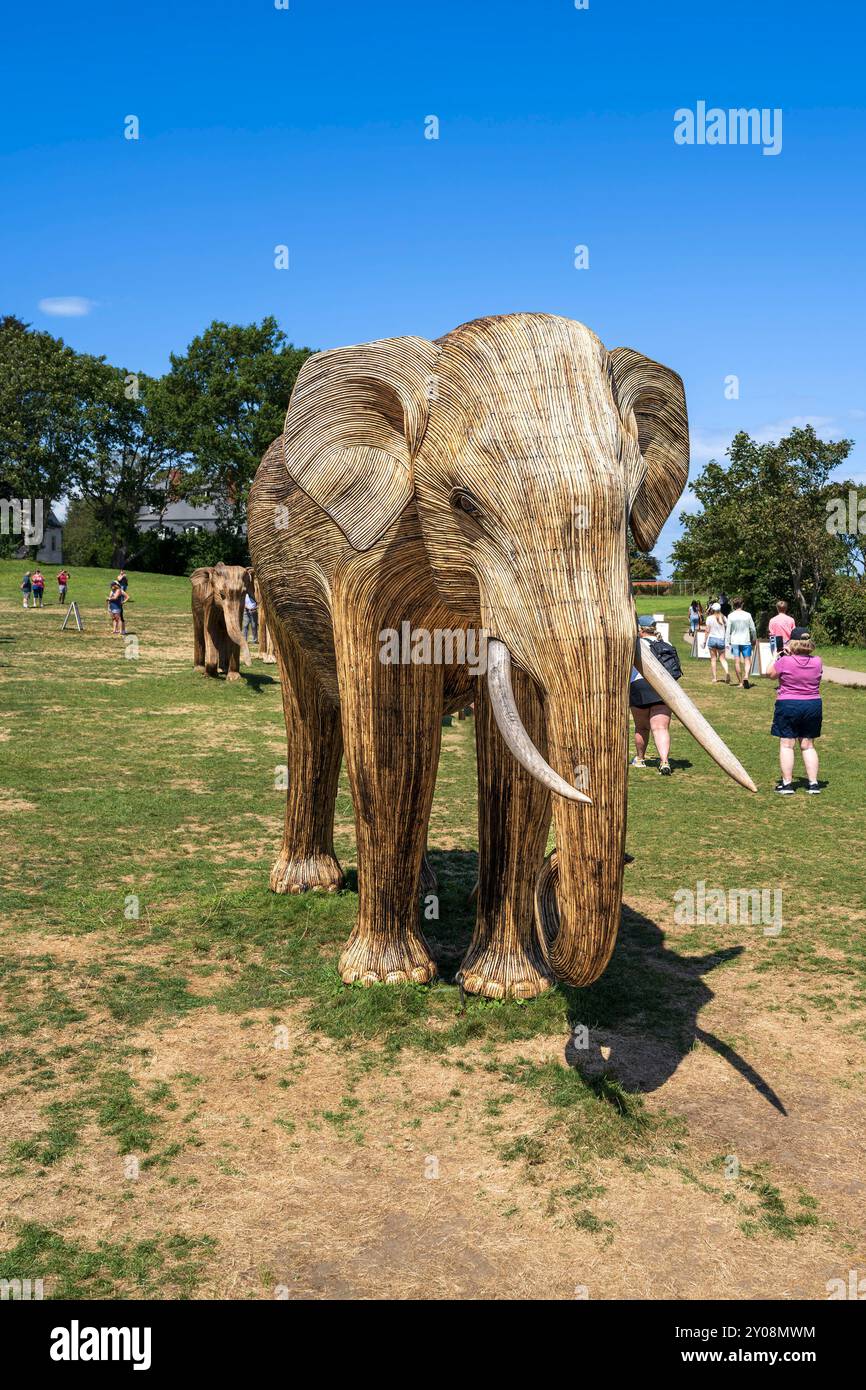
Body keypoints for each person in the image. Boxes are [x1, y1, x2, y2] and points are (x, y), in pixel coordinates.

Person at [767, 628, 823, 795]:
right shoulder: (818, 661)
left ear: (792, 643)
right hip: (812, 705)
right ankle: (813, 784)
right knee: (808, 745)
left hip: (789, 704)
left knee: (787, 744)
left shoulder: (785, 661)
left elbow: (770, 674)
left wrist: (776, 657)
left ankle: (787, 784)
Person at [629, 618, 683, 776]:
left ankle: (640, 759)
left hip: (639, 687)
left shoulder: (636, 645)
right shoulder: (668, 644)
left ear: (640, 629)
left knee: (641, 727)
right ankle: (664, 761)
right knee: (661, 728)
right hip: (664, 688)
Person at [726, 597, 757, 689]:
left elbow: (728, 631)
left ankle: (740, 682)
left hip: (735, 641)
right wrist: (754, 638)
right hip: (745, 640)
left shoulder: (731, 616)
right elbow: (753, 629)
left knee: (737, 661)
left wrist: (727, 642)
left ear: (733, 605)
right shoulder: (748, 615)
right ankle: (746, 676)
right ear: (742, 604)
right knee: (747, 660)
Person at [705, 602, 730, 683]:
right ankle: (727, 672)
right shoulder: (724, 618)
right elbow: (727, 630)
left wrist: (704, 641)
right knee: (722, 659)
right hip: (721, 640)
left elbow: (707, 631)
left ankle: (715, 678)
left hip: (712, 639)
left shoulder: (709, 618)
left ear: (713, 609)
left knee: (713, 659)